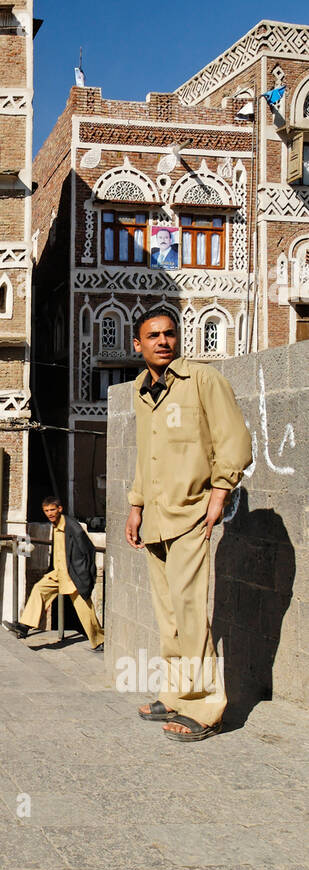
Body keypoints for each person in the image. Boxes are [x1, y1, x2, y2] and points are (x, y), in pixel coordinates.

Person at [125, 307, 252, 742]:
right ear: (137, 344)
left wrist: (220, 493)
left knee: (193, 612)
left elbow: (234, 439)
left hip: (192, 513)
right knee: (169, 615)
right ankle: (177, 693)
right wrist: (136, 506)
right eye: (153, 335)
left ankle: (205, 707)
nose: (163, 341)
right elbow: (146, 454)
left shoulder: (202, 380)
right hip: (156, 518)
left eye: (169, 334)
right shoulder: (142, 392)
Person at [12, 497, 104, 649]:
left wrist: (85, 574)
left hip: (74, 575)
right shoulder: (55, 526)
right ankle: (24, 626)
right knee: (39, 589)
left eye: (52, 510)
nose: (50, 513)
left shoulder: (72, 526)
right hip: (59, 573)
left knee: (84, 608)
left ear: (60, 509)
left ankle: (99, 640)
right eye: (47, 511)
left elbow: (88, 550)